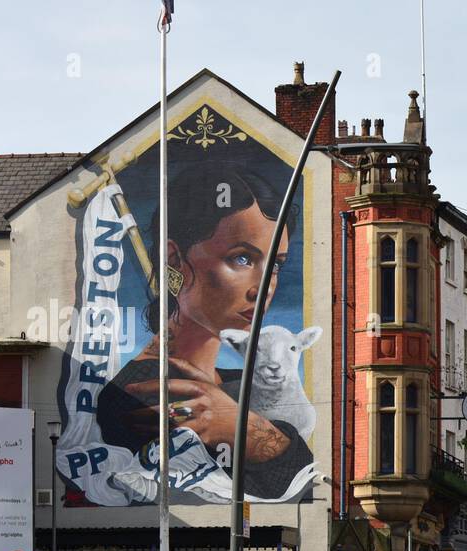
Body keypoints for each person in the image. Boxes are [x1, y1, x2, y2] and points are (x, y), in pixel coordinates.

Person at [95, 161, 312, 501]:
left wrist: (239, 427)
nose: (263, 287)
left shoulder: (240, 381)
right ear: (174, 259)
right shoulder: (136, 392)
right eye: (242, 258)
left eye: (275, 265)